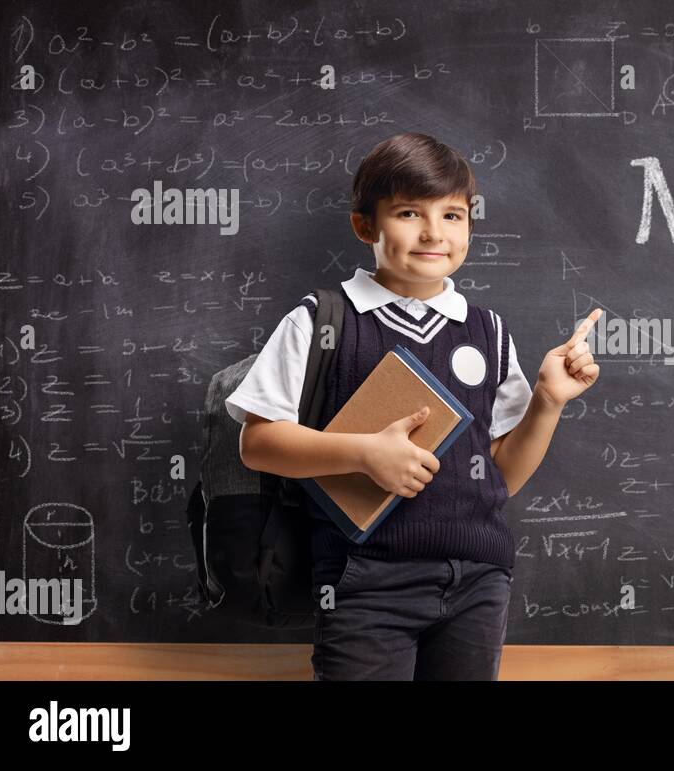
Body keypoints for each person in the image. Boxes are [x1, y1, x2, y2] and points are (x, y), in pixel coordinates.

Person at [224, 131, 602, 680]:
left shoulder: (488, 331)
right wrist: (364, 455)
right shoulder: (322, 322)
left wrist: (547, 401)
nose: (433, 233)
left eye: (453, 215)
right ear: (365, 226)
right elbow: (257, 443)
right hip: (363, 578)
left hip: (478, 576)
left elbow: (501, 478)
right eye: (408, 212)